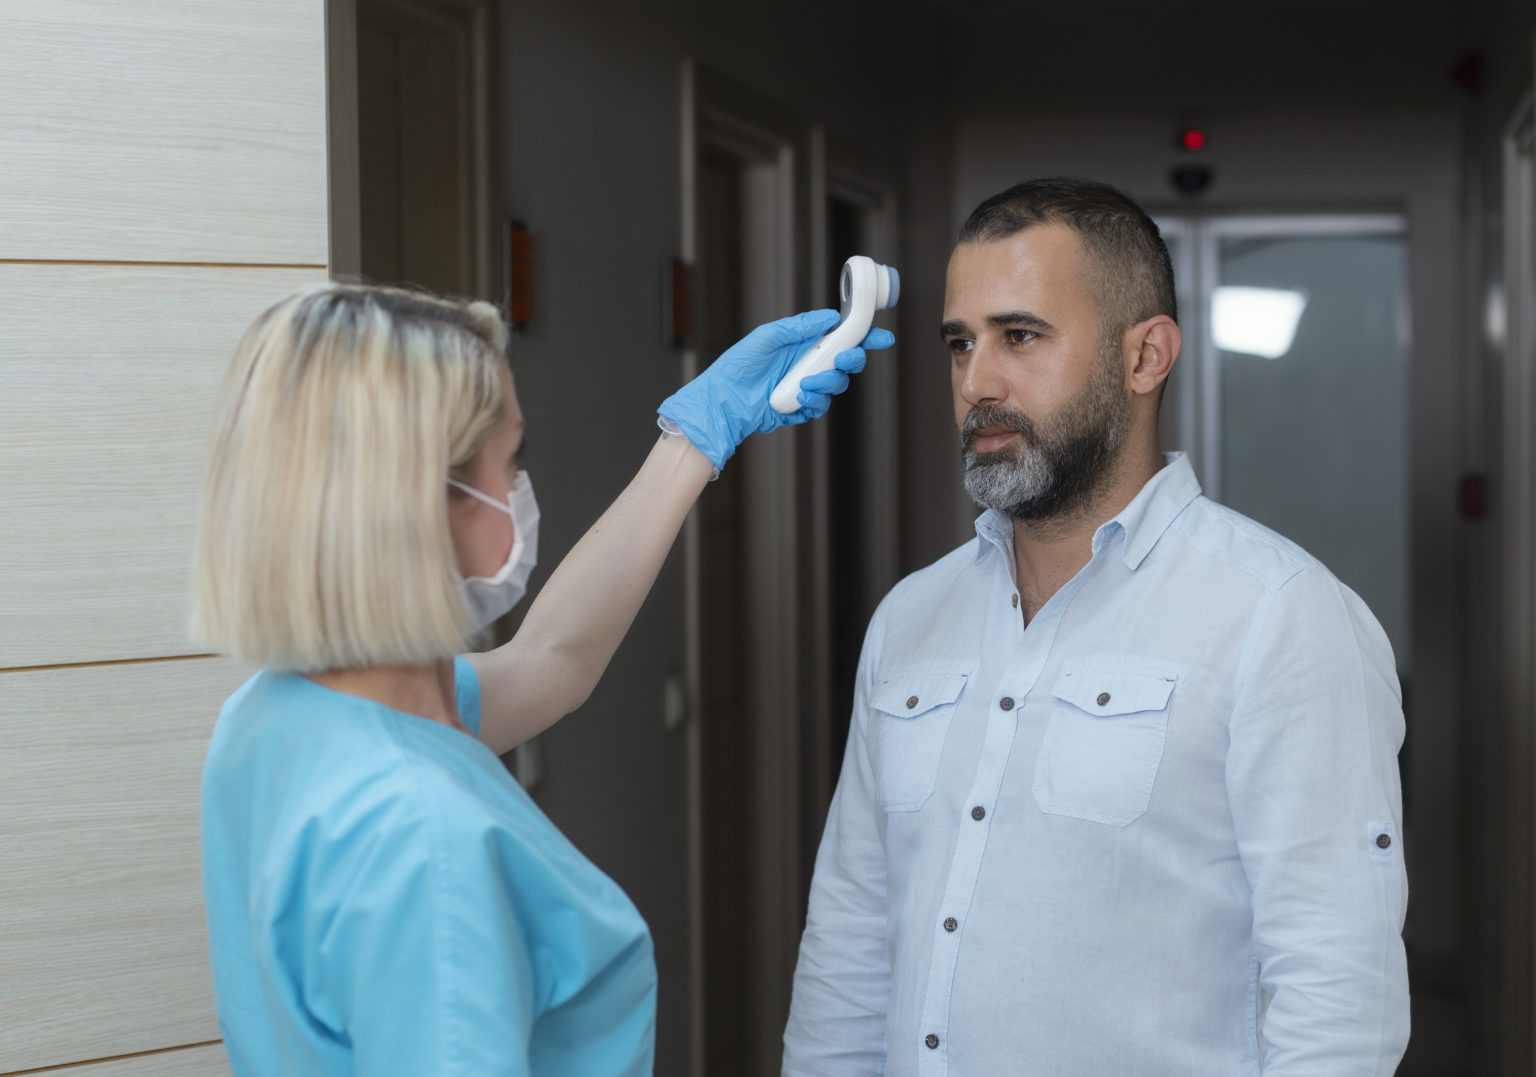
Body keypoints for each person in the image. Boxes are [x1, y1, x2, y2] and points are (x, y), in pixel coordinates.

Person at [781, 178, 1409, 1075]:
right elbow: (849, 940)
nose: (976, 381)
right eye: (960, 343)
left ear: (1146, 355)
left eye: (1020, 336)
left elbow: (1336, 993)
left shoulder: (1279, 615)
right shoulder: (910, 620)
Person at [193, 282, 892, 1076]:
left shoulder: (275, 720)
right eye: (510, 459)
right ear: (424, 505)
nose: (522, 487)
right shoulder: (423, 843)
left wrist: (700, 435)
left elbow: (553, 661)